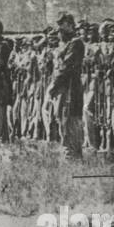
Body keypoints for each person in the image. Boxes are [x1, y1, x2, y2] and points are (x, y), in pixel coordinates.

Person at [50, 13, 85, 158]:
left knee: (69, 119)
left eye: (62, 26)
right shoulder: (65, 44)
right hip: (63, 87)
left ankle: (71, 153)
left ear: (70, 25)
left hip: (70, 87)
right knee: (63, 119)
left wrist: (53, 85)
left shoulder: (76, 43)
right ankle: (69, 151)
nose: (59, 30)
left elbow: (66, 68)